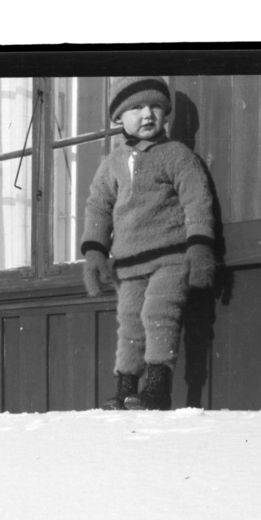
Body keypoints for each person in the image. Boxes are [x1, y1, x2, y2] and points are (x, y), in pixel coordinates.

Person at [80, 76, 218, 411]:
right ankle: (126, 386)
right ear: (118, 118)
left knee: (159, 315)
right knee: (129, 323)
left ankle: (158, 386)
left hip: (170, 258)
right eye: (137, 107)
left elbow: (197, 200)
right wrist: (95, 251)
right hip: (128, 265)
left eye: (156, 106)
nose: (148, 114)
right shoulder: (111, 164)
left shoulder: (176, 155)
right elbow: (98, 206)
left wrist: (200, 247)